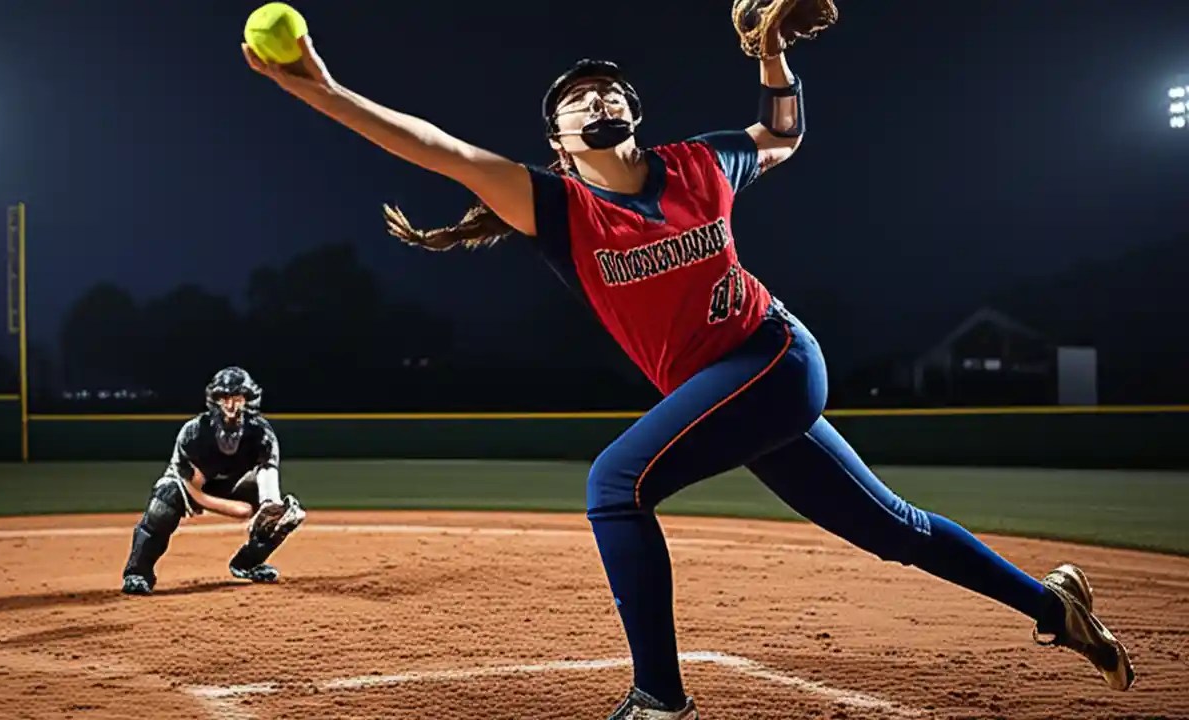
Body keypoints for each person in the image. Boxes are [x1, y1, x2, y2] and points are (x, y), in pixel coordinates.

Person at [241, 26, 1135, 720]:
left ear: (634, 111)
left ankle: (661, 698)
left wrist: (775, 53)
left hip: (776, 358)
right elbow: (431, 146)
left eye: (609, 89)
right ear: (557, 141)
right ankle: (1055, 610)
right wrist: (319, 90)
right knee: (890, 528)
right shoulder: (557, 204)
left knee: (614, 483)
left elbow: (782, 135)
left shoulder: (697, 164)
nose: (596, 97)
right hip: (734, 390)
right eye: (575, 97)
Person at [121, 366, 306, 596]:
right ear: (215, 399)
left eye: (237, 397)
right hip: (192, 487)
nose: (230, 405)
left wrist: (270, 507)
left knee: (279, 516)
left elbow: (268, 476)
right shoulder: (194, 433)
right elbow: (192, 485)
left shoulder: (261, 434)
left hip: (233, 485)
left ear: (247, 399)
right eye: (224, 397)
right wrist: (235, 510)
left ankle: (248, 563)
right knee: (164, 500)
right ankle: (138, 573)